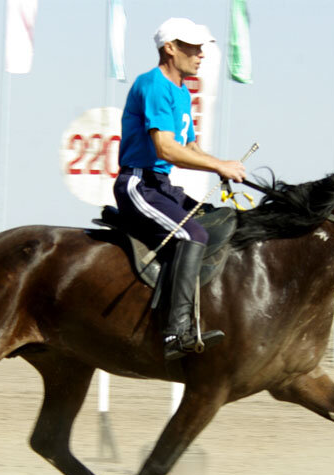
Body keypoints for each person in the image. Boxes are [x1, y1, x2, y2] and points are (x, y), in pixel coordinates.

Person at [114, 17, 247, 361]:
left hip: (162, 186)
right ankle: (176, 332)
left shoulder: (182, 92)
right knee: (193, 236)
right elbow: (166, 149)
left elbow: (192, 148)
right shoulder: (154, 85)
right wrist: (218, 166)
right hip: (139, 185)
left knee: (220, 222)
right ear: (169, 48)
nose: (201, 54)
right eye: (192, 47)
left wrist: (224, 164)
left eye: (202, 48)